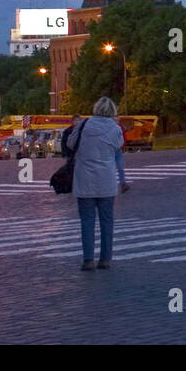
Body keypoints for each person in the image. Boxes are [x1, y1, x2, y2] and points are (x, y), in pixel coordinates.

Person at [70, 96, 124, 270]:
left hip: (84, 179)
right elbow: (118, 146)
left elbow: (71, 144)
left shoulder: (83, 125)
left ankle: (88, 260)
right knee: (107, 221)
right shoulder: (115, 129)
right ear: (112, 111)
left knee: (87, 221)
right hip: (106, 180)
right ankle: (105, 259)